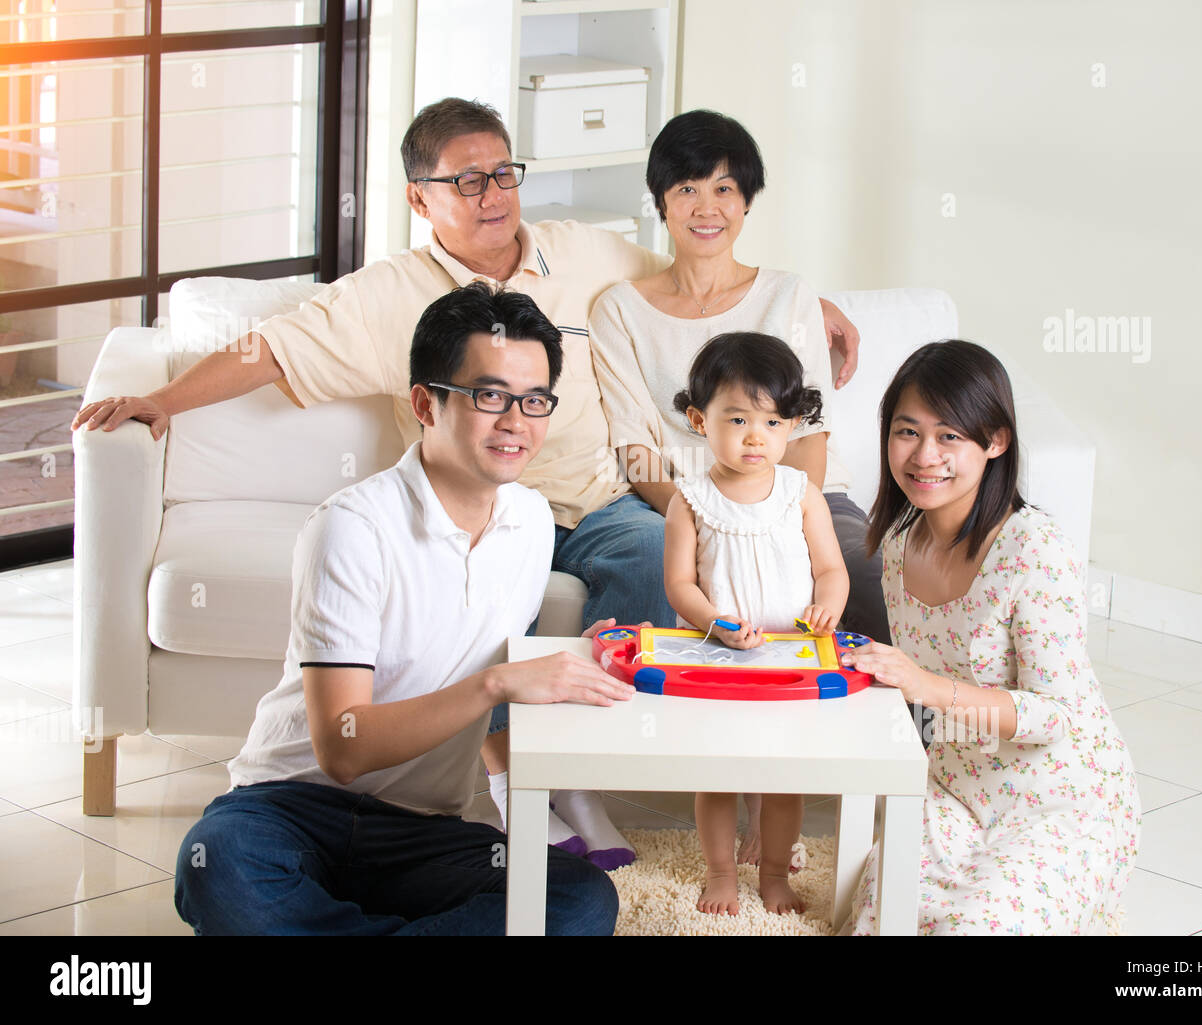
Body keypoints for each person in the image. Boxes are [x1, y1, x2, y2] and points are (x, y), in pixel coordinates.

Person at [72, 98, 862, 866]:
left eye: (503, 173)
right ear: (419, 197)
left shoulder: (580, 251)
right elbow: (272, 349)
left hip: (602, 500)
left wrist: (802, 308)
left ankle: (570, 770)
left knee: (664, 565)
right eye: (466, 180)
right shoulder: (387, 294)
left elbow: (698, 262)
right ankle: (524, 766)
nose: (493, 195)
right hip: (485, 505)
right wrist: (162, 401)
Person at [173, 283, 636, 935]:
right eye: (490, 395)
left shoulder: (531, 522)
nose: (516, 422)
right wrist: (495, 684)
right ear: (425, 402)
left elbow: (492, 675)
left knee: (579, 899)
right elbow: (343, 747)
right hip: (289, 809)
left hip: (424, 834)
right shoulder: (353, 527)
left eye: (535, 401)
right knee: (217, 869)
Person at [587, 108, 890, 861]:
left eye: (725, 188)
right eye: (687, 188)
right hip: (684, 501)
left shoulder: (788, 295)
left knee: (872, 572)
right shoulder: (620, 310)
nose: (706, 207)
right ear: (661, 201)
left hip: (804, 497)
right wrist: (711, 509)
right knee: (670, 566)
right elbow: (638, 449)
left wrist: (788, 511)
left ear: (747, 202)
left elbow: (810, 432)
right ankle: (698, 774)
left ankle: (894, 794)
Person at [840, 339, 1140, 935]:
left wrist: (924, 684)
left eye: (950, 435)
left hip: (1059, 797)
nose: (925, 456)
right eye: (907, 432)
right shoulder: (900, 546)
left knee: (974, 930)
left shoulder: (1035, 549)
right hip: (955, 786)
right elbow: (915, 707)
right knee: (881, 920)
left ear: (995, 440)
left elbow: (1056, 716)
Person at [663, 333, 849, 916]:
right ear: (699, 419)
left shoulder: (801, 493)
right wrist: (714, 622)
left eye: (772, 421)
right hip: (717, 659)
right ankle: (720, 874)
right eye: (737, 418)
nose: (754, 436)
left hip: (789, 660)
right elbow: (680, 585)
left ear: (792, 426)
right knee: (718, 774)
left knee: (783, 778)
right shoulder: (689, 500)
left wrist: (828, 608)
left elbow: (830, 569)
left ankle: (773, 872)